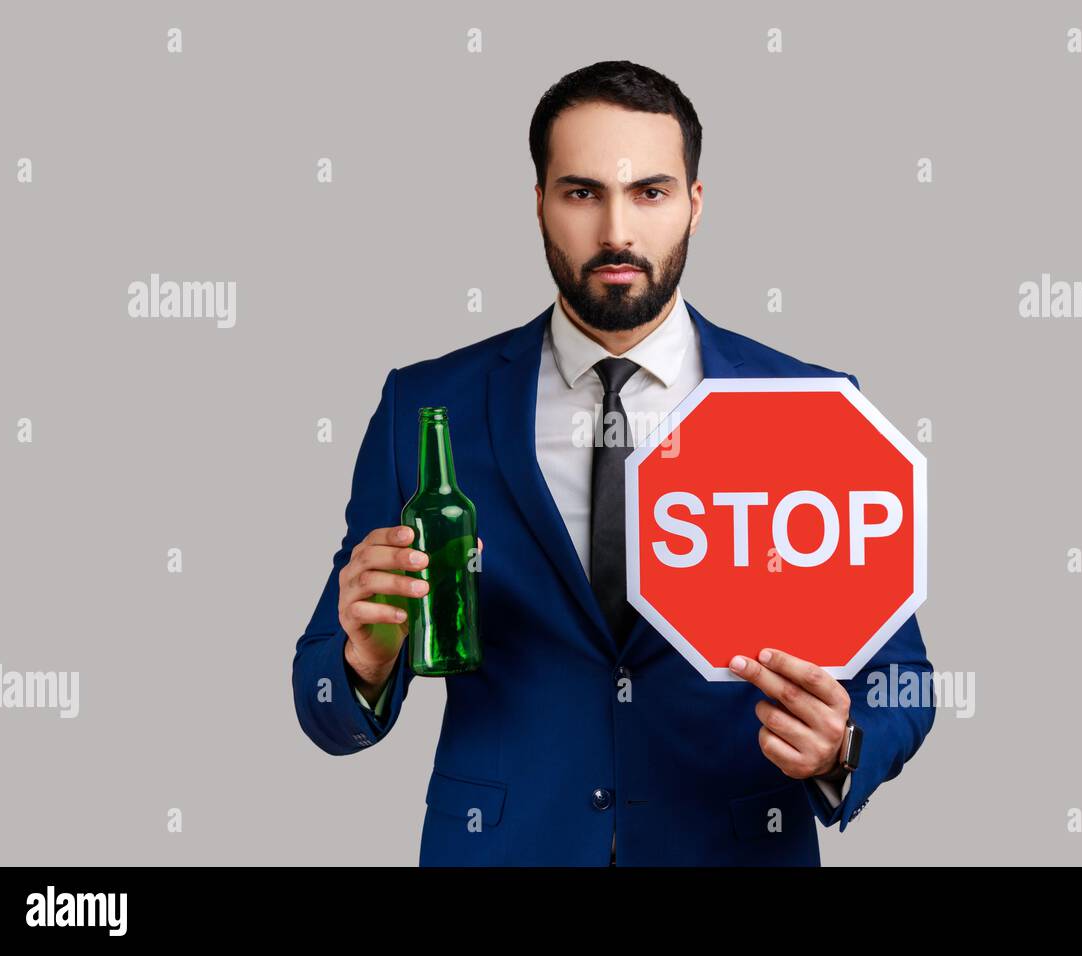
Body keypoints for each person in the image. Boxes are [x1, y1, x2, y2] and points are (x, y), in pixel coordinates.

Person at [291, 60, 935, 866]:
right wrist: (363, 663)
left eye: (651, 193)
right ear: (538, 203)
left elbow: (902, 677)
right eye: (583, 192)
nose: (617, 233)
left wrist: (842, 747)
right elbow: (322, 705)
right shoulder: (428, 408)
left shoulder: (809, 406)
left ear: (696, 205)